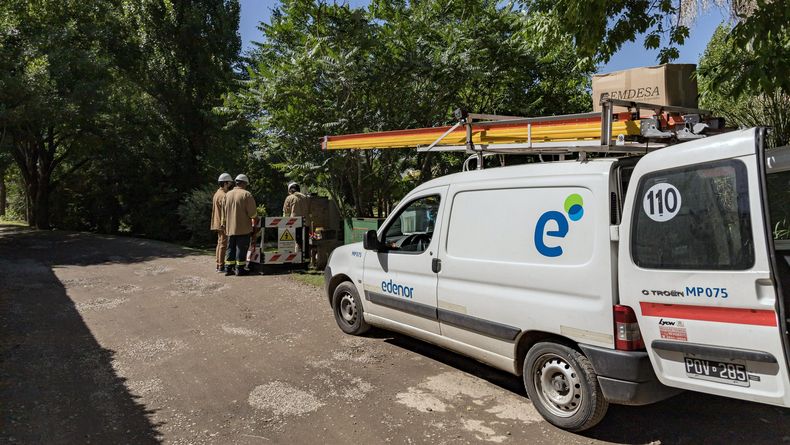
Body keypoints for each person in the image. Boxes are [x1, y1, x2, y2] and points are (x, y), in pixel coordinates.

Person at [222, 174, 257, 276]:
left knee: (230, 248)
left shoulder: (227, 195)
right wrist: (256, 219)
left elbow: (223, 213)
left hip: (230, 228)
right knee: (241, 249)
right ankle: (239, 269)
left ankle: (228, 269)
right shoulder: (246, 194)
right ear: (244, 183)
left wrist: (223, 224)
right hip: (243, 228)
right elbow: (252, 213)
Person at [211, 173, 234, 273]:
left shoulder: (217, 193)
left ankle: (218, 264)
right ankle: (221, 266)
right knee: (223, 245)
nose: (230, 185)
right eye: (229, 183)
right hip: (222, 224)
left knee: (219, 243)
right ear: (225, 183)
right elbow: (225, 212)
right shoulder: (223, 195)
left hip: (217, 222)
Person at [282, 182, 310, 252]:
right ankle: (306, 259)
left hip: (294, 224)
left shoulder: (289, 198)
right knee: (305, 242)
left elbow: (286, 213)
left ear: (290, 190)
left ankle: (297, 258)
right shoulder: (305, 197)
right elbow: (309, 210)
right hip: (306, 223)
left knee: (297, 242)